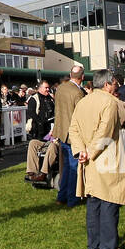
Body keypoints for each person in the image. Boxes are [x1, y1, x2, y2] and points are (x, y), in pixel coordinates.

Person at [68, 69, 125, 249]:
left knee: (94, 202)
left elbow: (74, 129)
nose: (116, 86)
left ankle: (94, 244)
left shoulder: (83, 102)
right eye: (114, 83)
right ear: (106, 84)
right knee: (109, 201)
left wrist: (82, 151)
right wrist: (89, 152)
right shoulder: (110, 103)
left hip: (90, 159)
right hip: (106, 158)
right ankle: (109, 247)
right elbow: (105, 132)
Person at [51, 65, 87, 207]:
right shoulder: (78, 93)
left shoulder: (60, 88)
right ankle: (72, 199)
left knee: (67, 167)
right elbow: (81, 116)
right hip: (73, 135)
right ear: (82, 77)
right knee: (73, 168)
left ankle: (62, 197)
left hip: (61, 132)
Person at [24, 80, 55, 184]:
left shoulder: (51, 99)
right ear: (40, 88)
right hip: (40, 132)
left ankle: (43, 173)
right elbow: (31, 113)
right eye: (46, 88)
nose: (48, 89)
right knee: (32, 143)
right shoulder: (34, 99)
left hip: (52, 133)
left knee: (52, 145)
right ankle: (32, 172)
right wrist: (40, 123)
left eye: (48, 88)